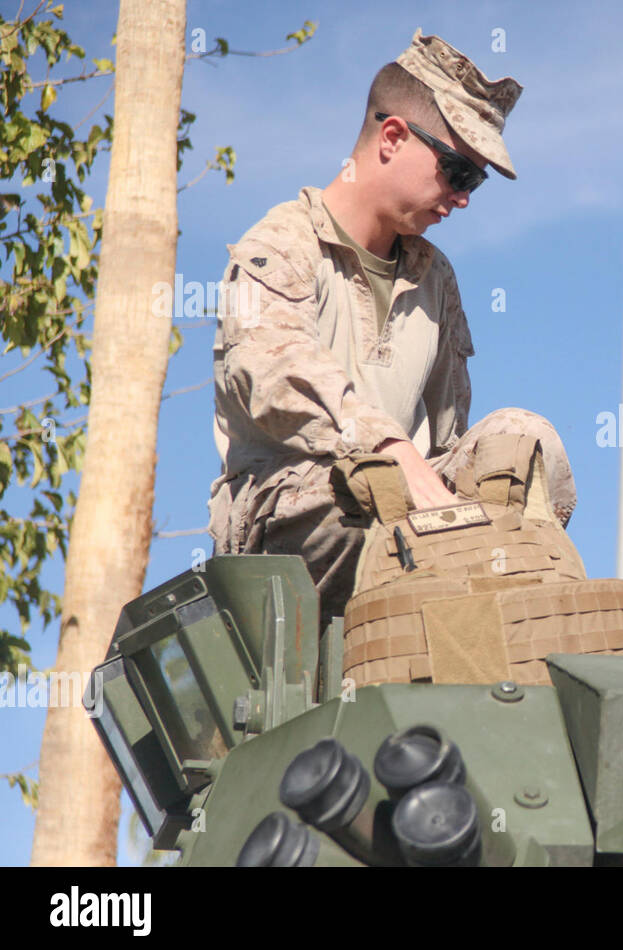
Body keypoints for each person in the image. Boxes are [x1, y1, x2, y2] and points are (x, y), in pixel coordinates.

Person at [207, 31, 575, 623]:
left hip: (407, 514)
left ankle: (524, 629)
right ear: (393, 136)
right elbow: (275, 377)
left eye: (474, 181)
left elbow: (452, 440)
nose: (462, 197)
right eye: (457, 170)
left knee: (523, 440)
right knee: (375, 485)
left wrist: (445, 490)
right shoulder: (281, 245)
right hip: (290, 526)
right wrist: (388, 446)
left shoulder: (435, 275)